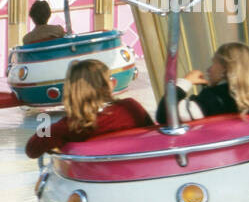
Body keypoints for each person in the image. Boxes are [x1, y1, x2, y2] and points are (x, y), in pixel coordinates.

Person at [25, 59, 154, 157]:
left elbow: (32, 149)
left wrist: (45, 126)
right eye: (110, 79)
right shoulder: (130, 108)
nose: (114, 82)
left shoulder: (68, 127)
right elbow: (153, 134)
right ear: (107, 86)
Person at [154, 41, 249, 126]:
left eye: (213, 63)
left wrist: (185, 82)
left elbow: (164, 115)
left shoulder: (212, 100)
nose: (208, 69)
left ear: (225, 68)